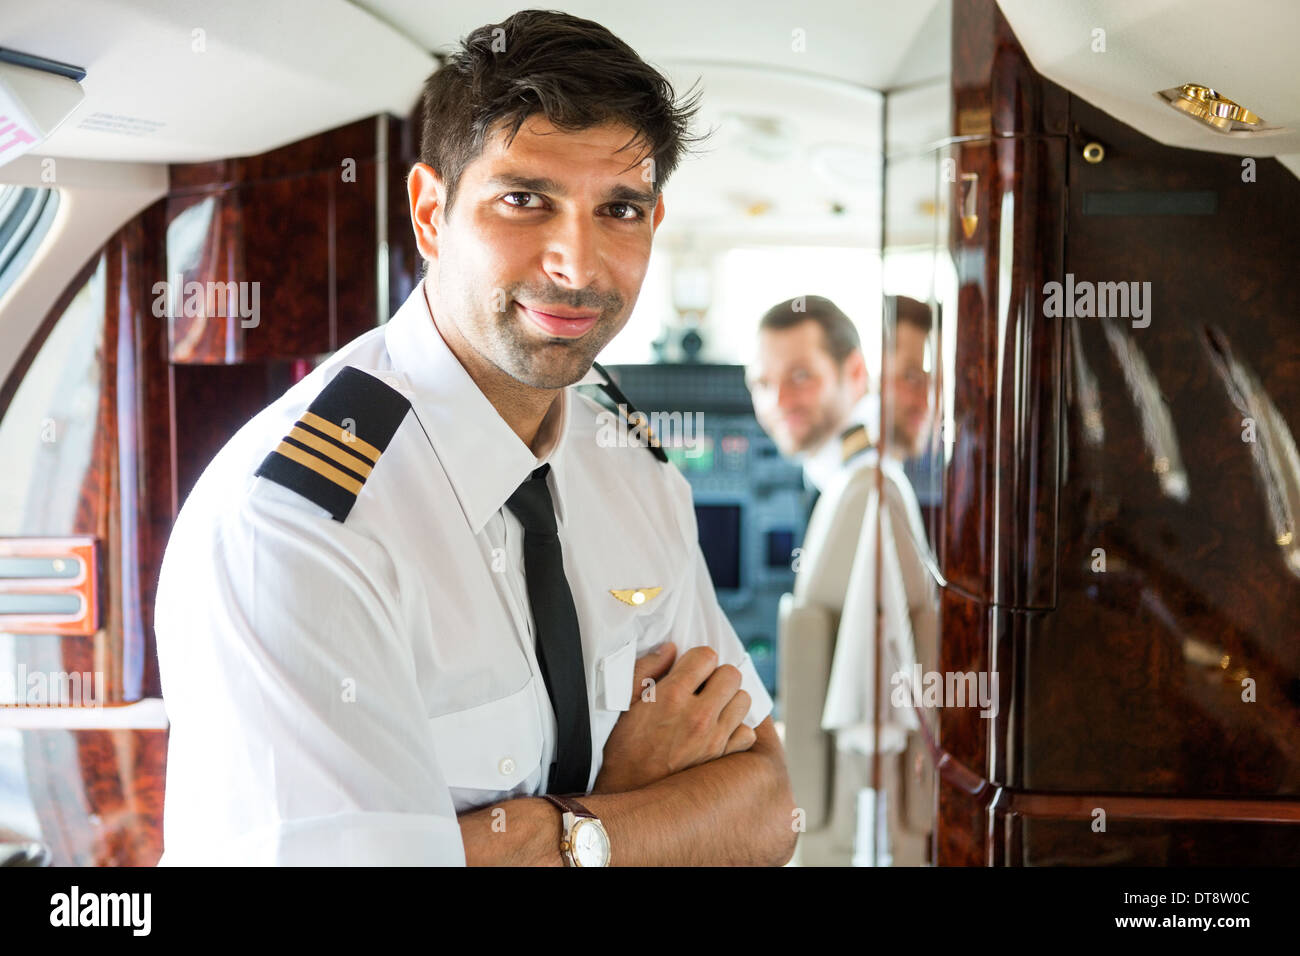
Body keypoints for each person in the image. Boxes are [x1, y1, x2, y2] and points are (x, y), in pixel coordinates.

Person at [154, 9, 796, 867]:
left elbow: (766, 810)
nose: (576, 263)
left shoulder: (635, 474)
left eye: (620, 208)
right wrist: (611, 810)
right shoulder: (299, 527)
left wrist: (544, 836)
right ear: (430, 213)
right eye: (523, 200)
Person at [747, 294, 937, 866]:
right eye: (762, 382)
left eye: (801, 377)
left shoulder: (864, 495)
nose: (778, 401)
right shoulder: (856, 483)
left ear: (855, 374)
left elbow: (871, 735)